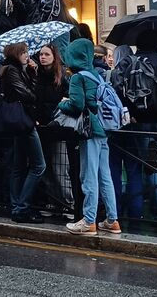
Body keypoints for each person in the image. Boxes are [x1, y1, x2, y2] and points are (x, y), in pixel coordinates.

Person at [109, 30, 157, 221]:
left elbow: (115, 86)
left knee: (147, 165)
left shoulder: (127, 62)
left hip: (138, 121)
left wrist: (128, 112)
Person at [58, 38, 120, 235]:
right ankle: (112, 219)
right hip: (103, 130)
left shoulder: (78, 78)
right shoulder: (96, 75)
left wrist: (62, 103)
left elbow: (77, 105)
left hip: (90, 131)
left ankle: (89, 220)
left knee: (88, 175)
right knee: (105, 176)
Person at [0, 42, 46, 223]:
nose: (27, 55)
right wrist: (34, 76)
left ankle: (17, 207)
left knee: (18, 166)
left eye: (27, 52)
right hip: (23, 122)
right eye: (23, 52)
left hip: (19, 122)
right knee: (39, 166)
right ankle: (22, 206)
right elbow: (28, 94)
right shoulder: (12, 70)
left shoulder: (14, 69)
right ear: (15, 54)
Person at [34, 44, 83, 221]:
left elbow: (68, 100)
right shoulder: (36, 75)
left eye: (47, 54)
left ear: (55, 56)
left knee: (60, 167)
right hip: (42, 127)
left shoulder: (63, 76)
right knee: (46, 167)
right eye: (41, 54)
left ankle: (68, 203)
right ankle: (52, 201)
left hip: (59, 127)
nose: (43, 57)